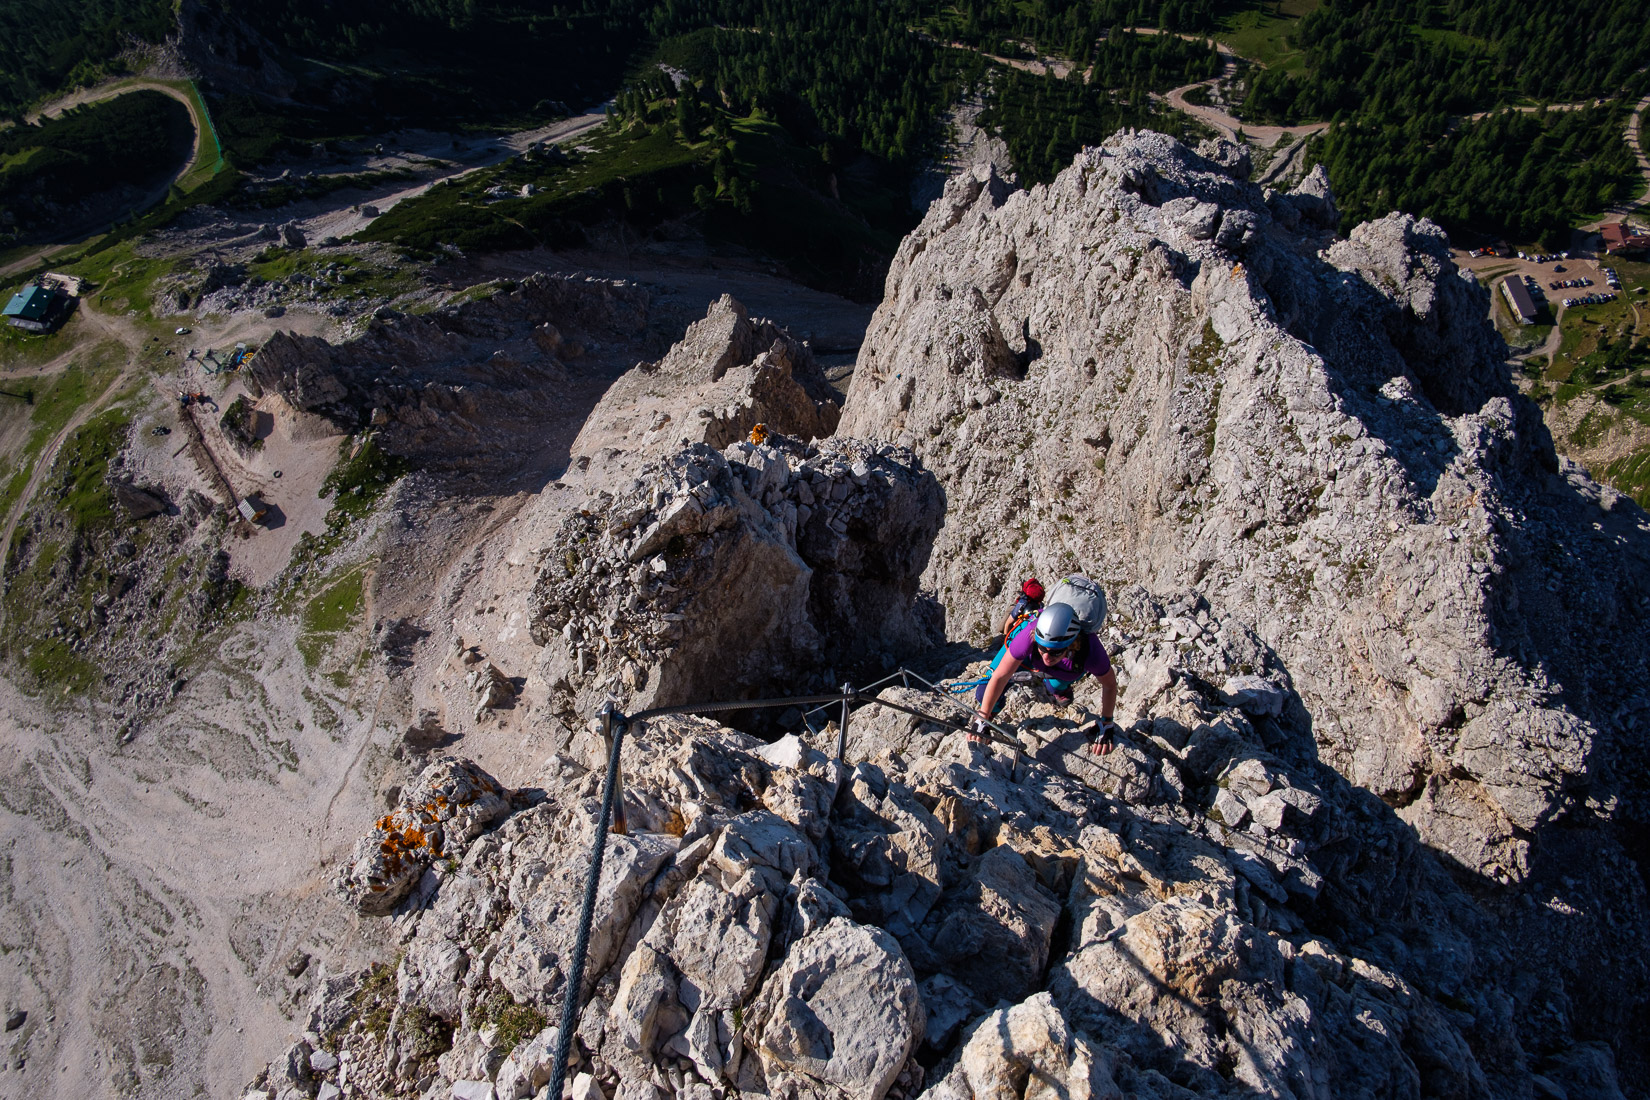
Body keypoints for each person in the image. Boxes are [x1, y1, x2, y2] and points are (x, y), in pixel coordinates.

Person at [973, 603, 1119, 754]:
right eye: (1042, 648)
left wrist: (1107, 723)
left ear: (1071, 645)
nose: (1047, 657)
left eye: (1055, 651)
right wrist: (983, 718)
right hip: (1030, 658)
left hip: (1066, 668)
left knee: (1055, 686)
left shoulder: (1090, 652)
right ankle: (992, 713)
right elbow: (999, 676)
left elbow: (1109, 685)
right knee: (983, 693)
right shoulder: (1027, 637)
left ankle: (1058, 689)